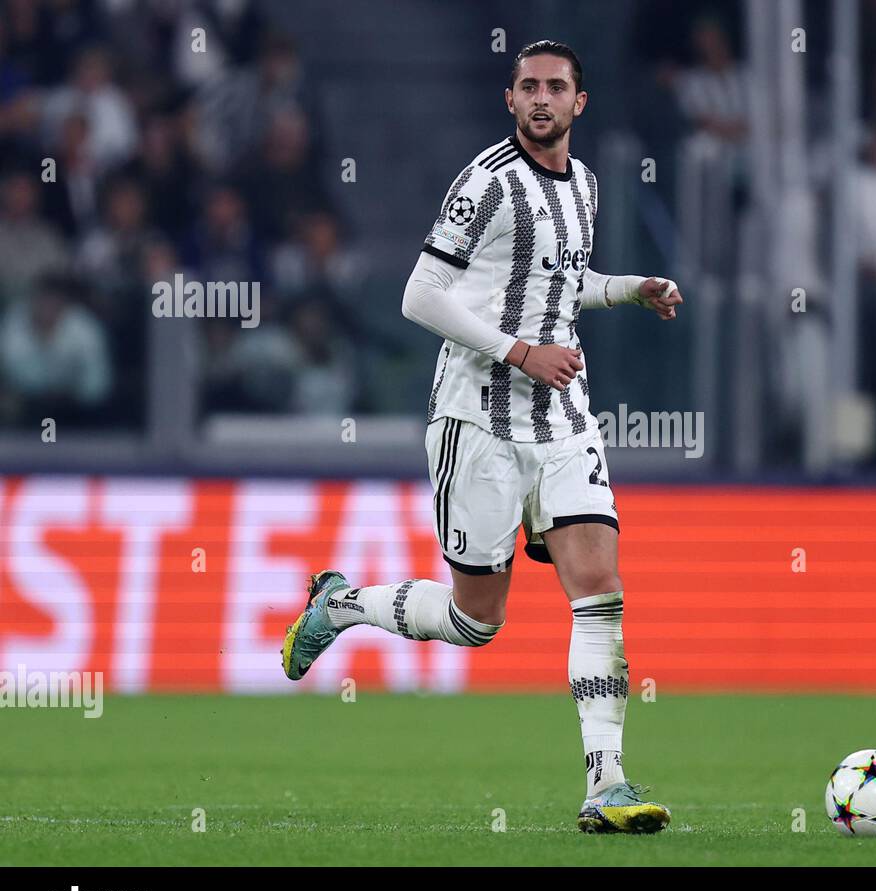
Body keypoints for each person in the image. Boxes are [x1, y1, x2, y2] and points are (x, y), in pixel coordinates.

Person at [280, 40, 683, 834]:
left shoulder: (589, 187)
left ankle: (607, 785)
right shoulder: (486, 183)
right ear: (510, 99)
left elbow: (562, 285)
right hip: (478, 421)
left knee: (599, 592)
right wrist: (520, 352)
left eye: (555, 87)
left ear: (579, 102)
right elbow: (419, 294)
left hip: (565, 421)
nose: (541, 98)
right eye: (527, 86)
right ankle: (342, 603)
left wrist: (628, 289)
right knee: (476, 622)